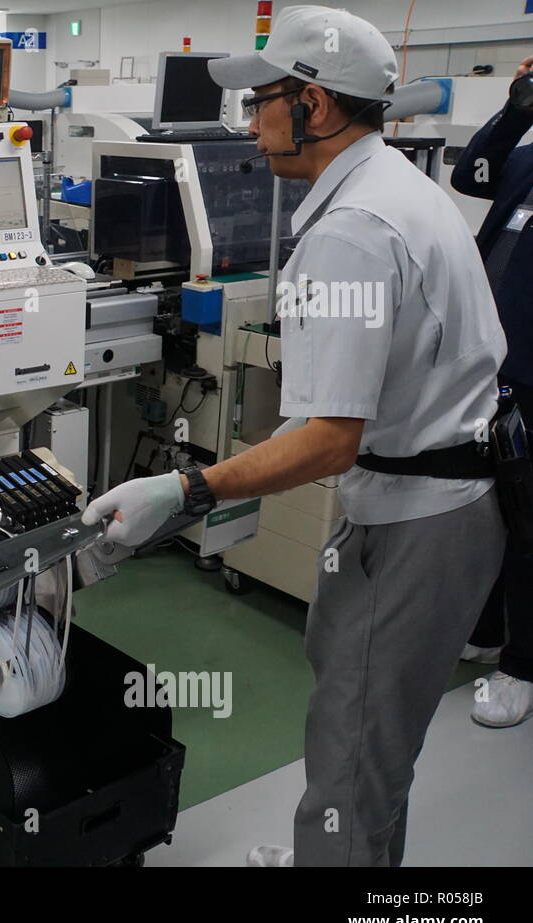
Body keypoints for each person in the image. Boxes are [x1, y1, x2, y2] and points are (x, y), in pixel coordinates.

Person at [82, 4, 508, 866]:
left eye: (261, 102)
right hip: (426, 499)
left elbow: (326, 440)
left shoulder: (351, 231)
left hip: (418, 517)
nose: (250, 123)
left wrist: (185, 490)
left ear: (313, 106)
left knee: (356, 755)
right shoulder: (390, 188)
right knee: (360, 728)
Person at [448, 61, 533, 729]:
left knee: (531, 519)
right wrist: (517, 107)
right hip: (494, 368)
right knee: (492, 506)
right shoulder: (525, 160)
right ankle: (486, 627)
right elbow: (468, 173)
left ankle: (522, 665)